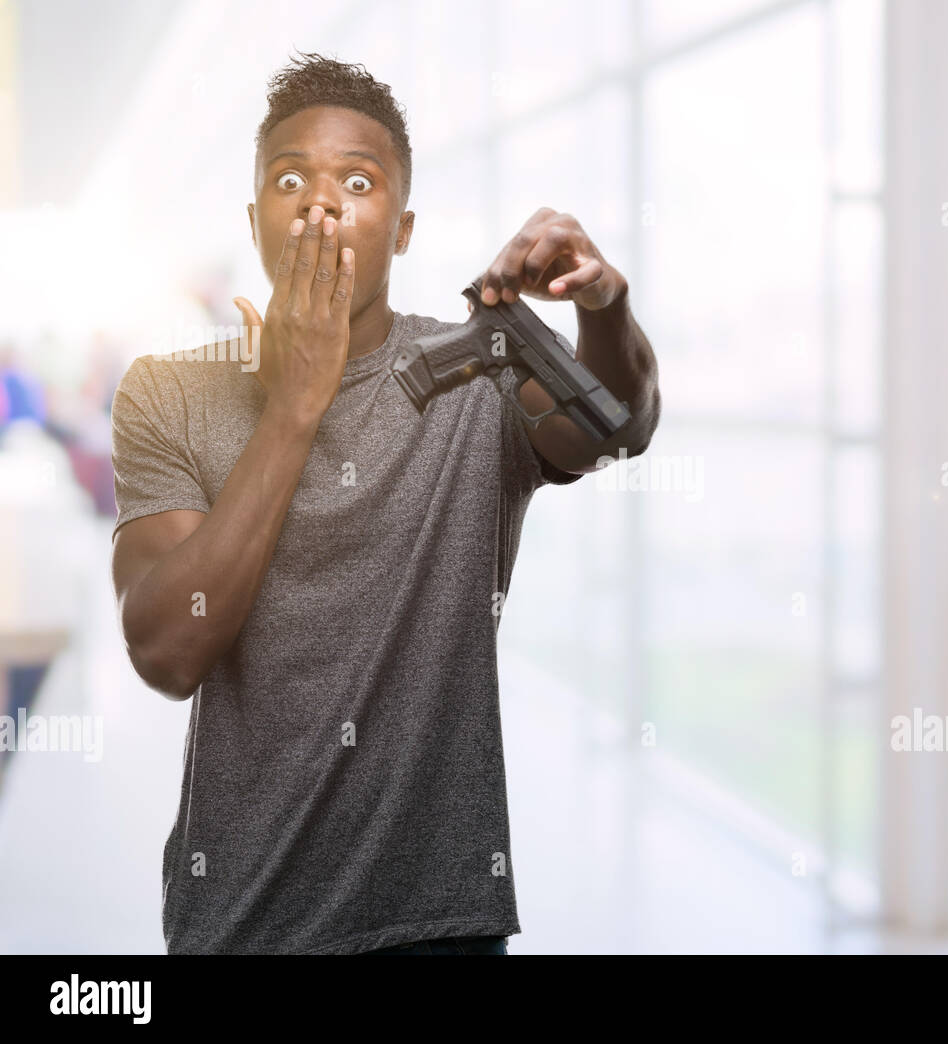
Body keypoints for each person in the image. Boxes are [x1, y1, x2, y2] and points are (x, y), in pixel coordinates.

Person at [108, 51, 661, 955]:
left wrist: (604, 307)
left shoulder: (474, 373)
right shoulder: (168, 393)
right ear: (256, 220)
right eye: (290, 180)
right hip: (240, 923)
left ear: (401, 230)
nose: (320, 205)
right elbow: (168, 650)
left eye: (357, 183)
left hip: (440, 924)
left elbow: (621, 425)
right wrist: (294, 406)